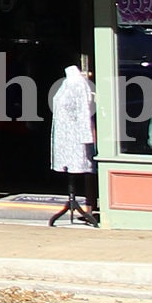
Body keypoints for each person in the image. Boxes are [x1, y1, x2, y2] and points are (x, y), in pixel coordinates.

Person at [47, 57, 96, 225]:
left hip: (74, 137)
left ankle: (77, 202)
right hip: (65, 135)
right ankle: (71, 198)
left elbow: (84, 110)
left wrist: (85, 137)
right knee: (67, 166)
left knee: (75, 165)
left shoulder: (78, 83)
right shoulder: (67, 82)